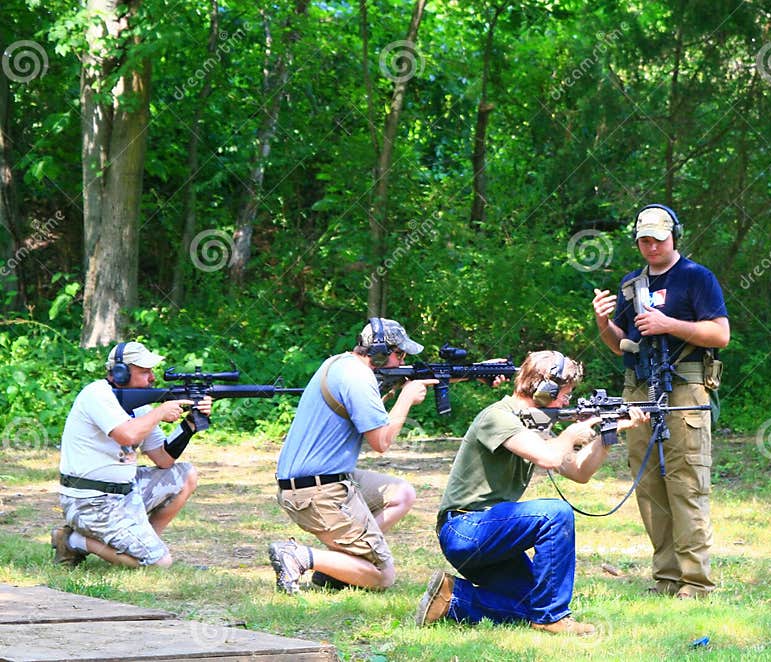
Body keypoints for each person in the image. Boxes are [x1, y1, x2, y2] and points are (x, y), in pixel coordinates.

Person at [415, 350, 649, 636]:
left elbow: (579, 472)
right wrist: (571, 434)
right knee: (555, 514)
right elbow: (549, 458)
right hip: (464, 529)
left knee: (531, 605)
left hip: (488, 536)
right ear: (543, 388)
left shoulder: (530, 425)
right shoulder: (498, 417)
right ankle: (554, 617)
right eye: (564, 393)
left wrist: (608, 434)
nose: (567, 401)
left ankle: (453, 598)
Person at [591, 203, 729, 599]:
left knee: (686, 484)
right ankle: (667, 577)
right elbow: (620, 346)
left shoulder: (696, 278)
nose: (650, 246)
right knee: (649, 486)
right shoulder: (631, 283)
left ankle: (696, 582)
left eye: (658, 238)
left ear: (674, 236)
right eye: (643, 240)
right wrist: (604, 322)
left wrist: (670, 325)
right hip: (638, 391)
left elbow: (721, 335)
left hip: (684, 392)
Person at [266, 318, 437, 594]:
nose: (402, 361)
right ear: (380, 353)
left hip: (315, 481)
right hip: (317, 492)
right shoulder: (358, 378)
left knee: (401, 494)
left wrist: (474, 374)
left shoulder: (340, 364)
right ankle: (299, 556)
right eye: (400, 354)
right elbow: (381, 442)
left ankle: (338, 568)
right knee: (382, 575)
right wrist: (405, 398)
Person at [53, 341, 211, 568]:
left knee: (186, 475)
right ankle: (73, 540)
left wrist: (190, 425)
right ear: (120, 373)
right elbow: (127, 435)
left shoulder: (140, 405)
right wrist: (160, 412)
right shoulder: (96, 394)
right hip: (90, 502)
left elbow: (163, 459)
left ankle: (147, 545)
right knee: (161, 564)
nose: (152, 378)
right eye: (144, 372)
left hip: (125, 493)